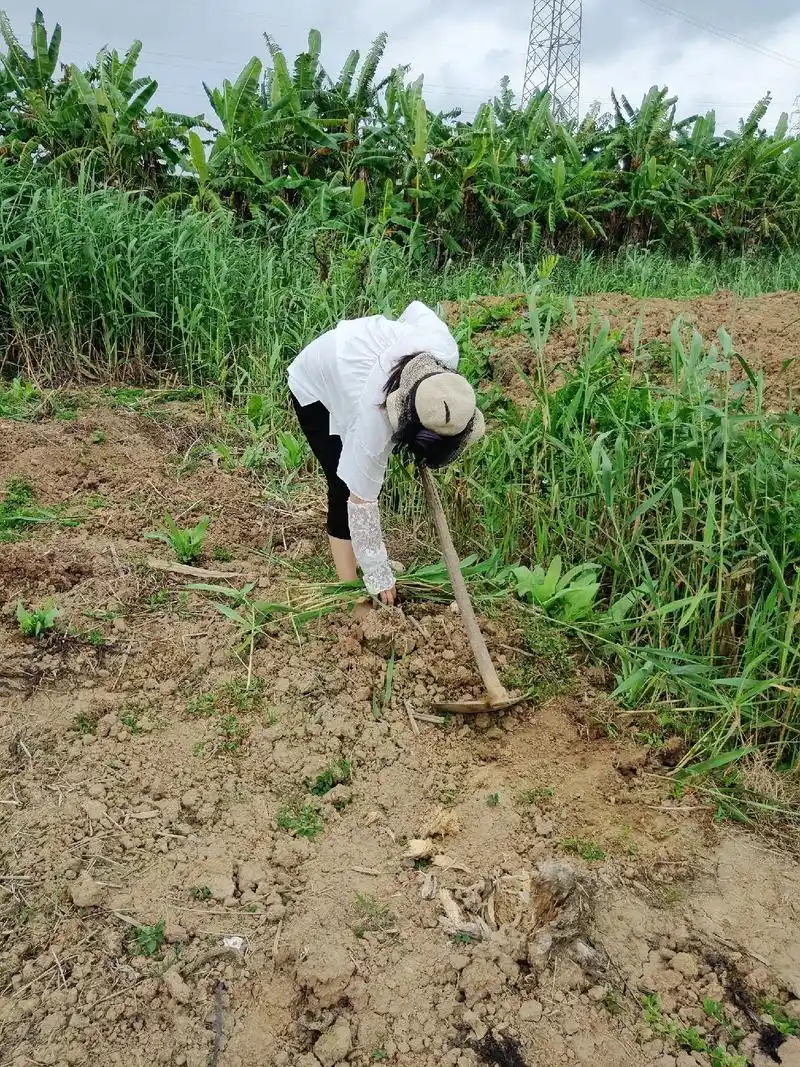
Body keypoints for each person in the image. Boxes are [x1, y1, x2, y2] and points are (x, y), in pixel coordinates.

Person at [287, 301, 485, 605]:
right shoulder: (374, 421)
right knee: (342, 484)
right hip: (315, 383)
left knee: (360, 474)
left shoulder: (443, 353)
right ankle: (351, 592)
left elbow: (416, 309)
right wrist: (377, 574)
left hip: (355, 364)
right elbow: (361, 502)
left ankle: (361, 568)